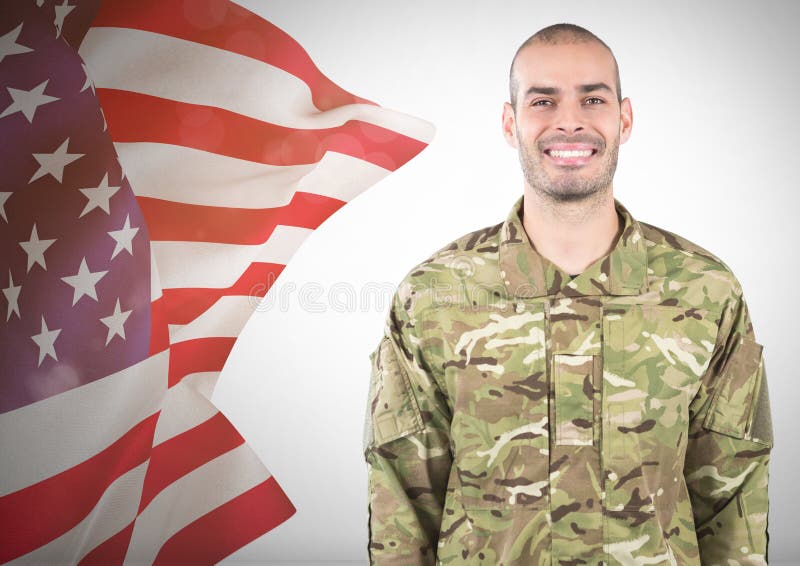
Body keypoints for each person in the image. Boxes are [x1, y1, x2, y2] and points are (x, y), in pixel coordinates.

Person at [362, 23, 773, 565]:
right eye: (543, 101)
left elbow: (733, 500)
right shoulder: (434, 296)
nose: (570, 120)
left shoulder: (706, 291)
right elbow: (401, 503)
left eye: (593, 99)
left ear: (624, 119)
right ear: (510, 123)